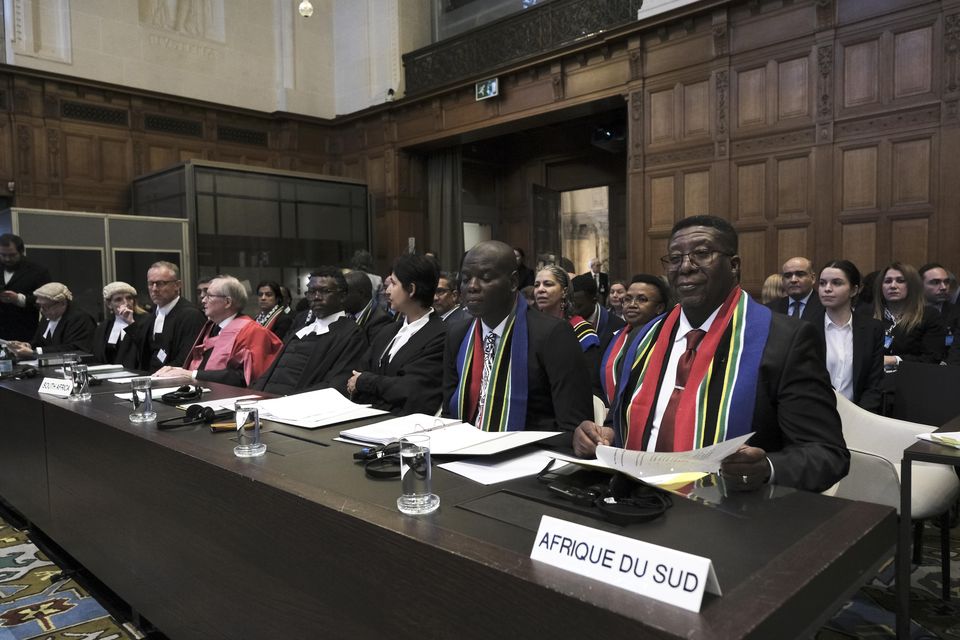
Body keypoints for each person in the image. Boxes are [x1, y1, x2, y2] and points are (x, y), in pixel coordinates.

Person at [574, 215, 848, 493]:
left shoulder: (784, 340)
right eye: (675, 258)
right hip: (637, 504)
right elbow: (622, 421)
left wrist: (767, 467)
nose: (685, 268)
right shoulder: (643, 337)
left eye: (702, 254)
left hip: (730, 515)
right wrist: (604, 434)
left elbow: (826, 454)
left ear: (734, 265)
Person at [442, 241, 592, 431]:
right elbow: (449, 413)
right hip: (462, 449)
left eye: (485, 278)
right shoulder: (458, 333)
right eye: (465, 279)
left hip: (530, 454)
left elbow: (573, 426)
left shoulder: (553, 334)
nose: (472, 286)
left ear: (513, 283)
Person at [342, 255, 446, 415]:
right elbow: (356, 375)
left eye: (393, 283)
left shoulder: (440, 334)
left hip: (403, 424)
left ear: (411, 289)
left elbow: (411, 390)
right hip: (366, 416)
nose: (387, 290)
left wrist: (366, 381)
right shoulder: (388, 330)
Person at [253, 267, 366, 395]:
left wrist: (286, 402)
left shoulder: (351, 334)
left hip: (296, 406)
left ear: (342, 296)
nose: (316, 297)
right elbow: (271, 372)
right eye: (312, 291)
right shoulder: (301, 328)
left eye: (324, 291)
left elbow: (336, 385)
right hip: (264, 402)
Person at [155, 276, 283, 387]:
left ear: (227, 302)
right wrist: (177, 371)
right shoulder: (211, 327)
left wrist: (192, 374)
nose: (203, 300)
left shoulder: (253, 332)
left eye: (209, 296)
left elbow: (244, 377)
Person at [808, 260, 884, 413]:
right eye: (822, 283)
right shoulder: (805, 328)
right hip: (816, 416)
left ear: (854, 290)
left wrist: (860, 417)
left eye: (836, 283)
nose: (827, 289)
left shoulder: (872, 329)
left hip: (860, 417)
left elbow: (874, 383)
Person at [600, 274, 669, 407]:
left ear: (659, 308)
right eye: (627, 299)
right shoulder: (614, 337)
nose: (632, 305)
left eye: (642, 300)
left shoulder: (666, 339)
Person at [130, 261, 207, 372]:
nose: (154, 289)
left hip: (174, 382)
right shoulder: (153, 313)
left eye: (160, 283)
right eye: (151, 283)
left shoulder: (191, 316)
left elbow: (186, 359)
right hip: (150, 378)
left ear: (177, 285)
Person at [873, 262, 945, 366]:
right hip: (875, 379)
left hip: (913, 378)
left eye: (900, 281)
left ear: (912, 285)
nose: (893, 286)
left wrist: (894, 360)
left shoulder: (929, 316)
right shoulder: (867, 315)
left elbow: (932, 358)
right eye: (887, 281)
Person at [6, 282, 95, 358]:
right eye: (39, 306)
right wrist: (27, 346)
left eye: (45, 306)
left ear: (63, 303)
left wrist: (35, 352)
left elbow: (73, 348)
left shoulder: (80, 319)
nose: (41, 310)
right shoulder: (47, 316)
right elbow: (39, 342)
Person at [534, 266, 601, 357]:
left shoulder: (581, 329)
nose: (540, 290)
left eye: (548, 284)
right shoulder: (530, 324)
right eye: (536, 285)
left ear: (564, 292)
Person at [0, 233, 52, 342]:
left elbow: (48, 299)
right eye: (3, 255)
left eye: (12, 255)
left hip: (25, 332)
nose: (7, 259)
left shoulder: (38, 271)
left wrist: (19, 299)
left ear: (21, 252)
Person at [92, 281, 149, 366]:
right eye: (118, 299)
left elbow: (146, 349)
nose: (125, 303)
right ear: (109, 304)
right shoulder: (104, 326)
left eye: (129, 298)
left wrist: (130, 323)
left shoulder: (146, 320)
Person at [570, 272, 625, 355]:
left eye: (579, 306)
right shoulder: (564, 320)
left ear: (594, 300)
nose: (573, 311)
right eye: (571, 305)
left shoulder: (617, 326)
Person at [344, 270, 393, 344]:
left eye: (345, 293)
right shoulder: (347, 314)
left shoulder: (381, 320)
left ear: (361, 294)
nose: (340, 298)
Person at [919, 262, 959, 351]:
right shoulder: (908, 313)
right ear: (920, 285)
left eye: (946, 282)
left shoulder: (956, 313)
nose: (943, 287)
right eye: (935, 282)